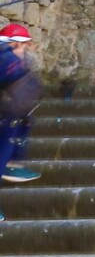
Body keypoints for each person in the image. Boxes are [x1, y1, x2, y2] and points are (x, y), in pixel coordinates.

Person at [0, 23, 43, 220]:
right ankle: (11, 162)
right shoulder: (7, 59)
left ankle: (12, 162)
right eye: (22, 46)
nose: (24, 51)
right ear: (14, 44)